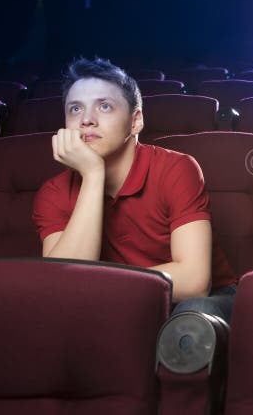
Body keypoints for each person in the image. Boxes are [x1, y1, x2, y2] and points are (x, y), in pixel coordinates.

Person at [32, 57, 237, 322]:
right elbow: (63, 285)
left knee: (194, 317)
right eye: (75, 109)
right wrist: (93, 175)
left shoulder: (176, 168)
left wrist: (102, 288)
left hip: (198, 303)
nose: (86, 120)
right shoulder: (53, 192)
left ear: (135, 121)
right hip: (117, 303)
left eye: (104, 106)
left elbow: (195, 281)